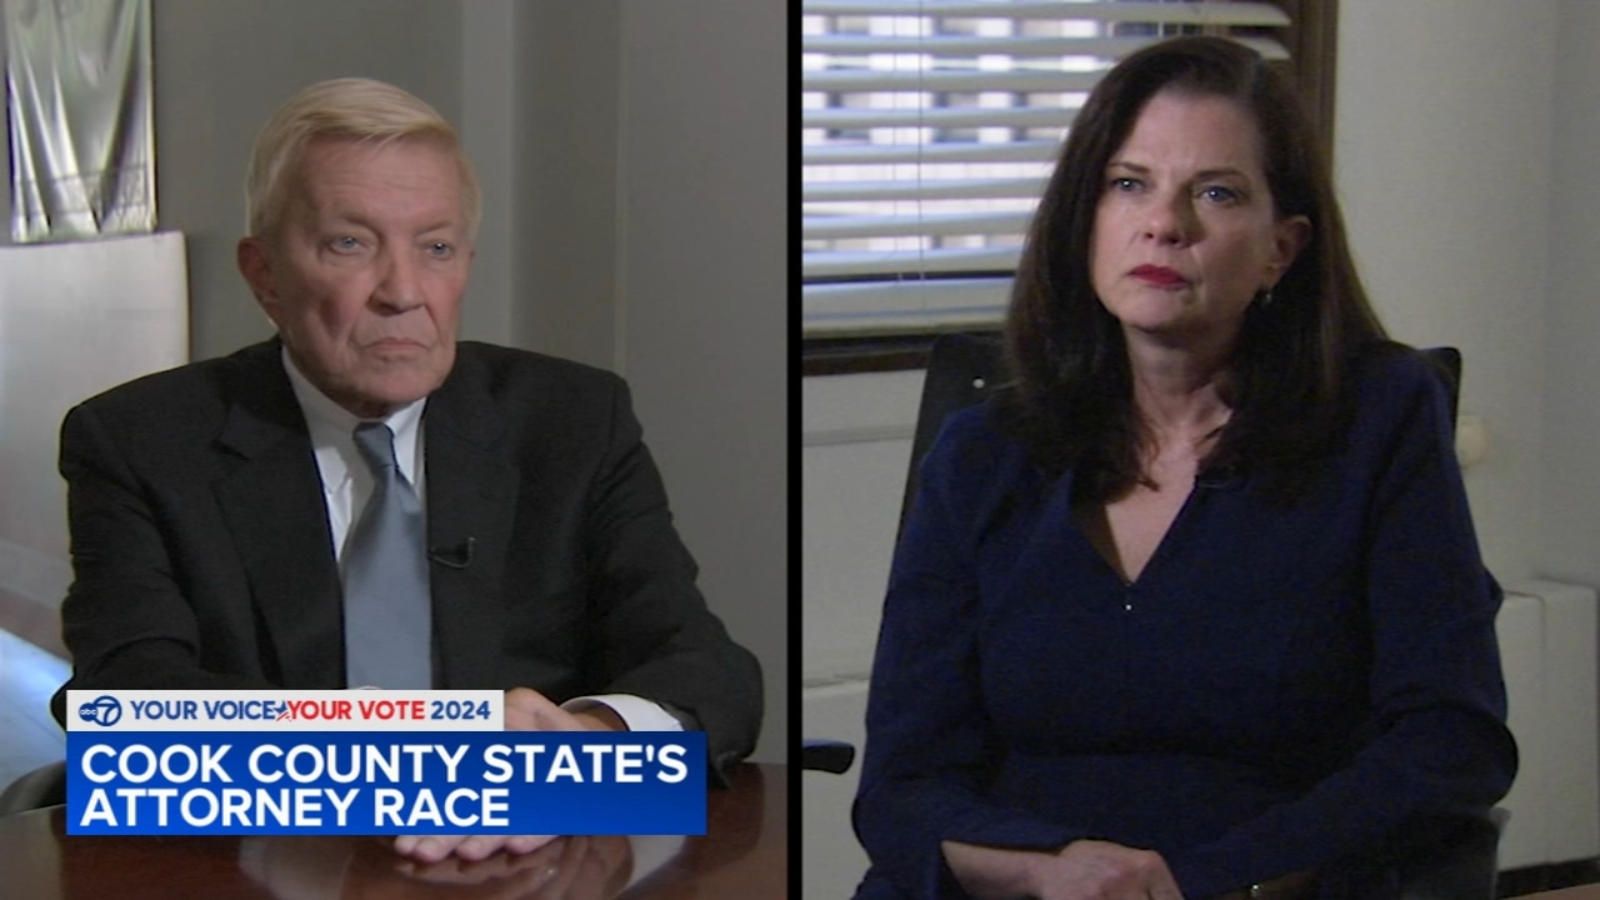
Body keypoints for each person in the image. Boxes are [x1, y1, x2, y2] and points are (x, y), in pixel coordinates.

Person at [851, 37, 1515, 900]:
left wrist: (1201, 880)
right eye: (1129, 184)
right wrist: (1048, 873)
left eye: (1216, 192)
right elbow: (902, 787)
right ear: (1084, 218)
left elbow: (1451, 739)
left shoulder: (1378, 421)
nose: (1165, 222)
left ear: (1282, 248)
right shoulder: (984, 454)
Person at [48, 78, 762, 861]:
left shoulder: (574, 421)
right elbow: (129, 712)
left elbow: (711, 673)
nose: (403, 293)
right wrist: (436, 763)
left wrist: (584, 750)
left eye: (436, 248)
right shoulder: (139, 441)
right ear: (264, 276)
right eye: (350, 244)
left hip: (527, 870)